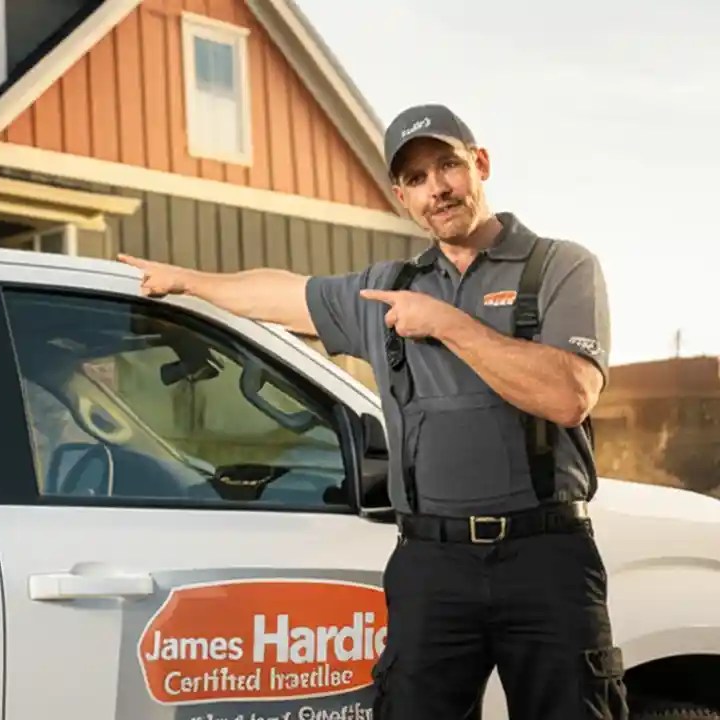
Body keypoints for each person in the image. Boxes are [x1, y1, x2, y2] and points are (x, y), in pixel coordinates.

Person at [117, 103, 627, 720]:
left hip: (546, 558)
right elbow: (279, 291)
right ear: (400, 197)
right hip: (432, 565)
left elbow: (569, 395)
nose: (436, 189)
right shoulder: (389, 286)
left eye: (448, 166)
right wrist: (188, 281)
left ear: (480, 163)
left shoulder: (559, 267)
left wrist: (448, 325)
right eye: (416, 179)